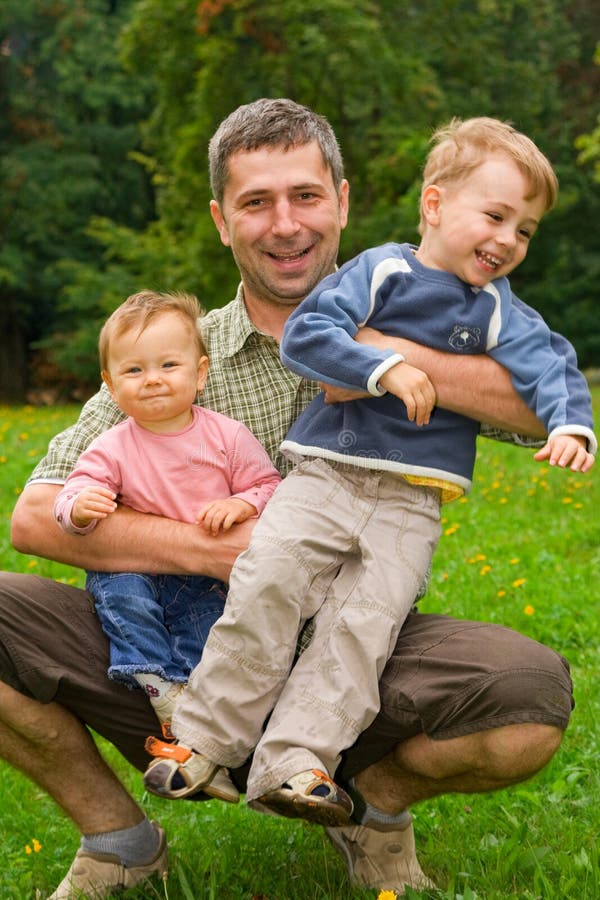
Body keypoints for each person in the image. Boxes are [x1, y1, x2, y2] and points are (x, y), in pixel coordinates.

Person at [1, 99, 575, 899]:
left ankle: (361, 812)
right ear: (220, 220)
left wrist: (386, 355)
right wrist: (218, 550)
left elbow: (532, 401)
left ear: (341, 201)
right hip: (174, 654)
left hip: (355, 647)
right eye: (255, 202)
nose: (285, 224)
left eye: (305, 196)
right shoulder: (173, 355)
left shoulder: (432, 310)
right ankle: (120, 839)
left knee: (527, 695)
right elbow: (34, 515)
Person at [141, 117, 595, 826]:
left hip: (411, 504)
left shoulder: (501, 310)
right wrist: (382, 365)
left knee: (365, 626)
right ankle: (201, 739)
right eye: (496, 216)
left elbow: (550, 366)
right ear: (435, 205)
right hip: (326, 478)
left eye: (526, 230)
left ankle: (296, 762)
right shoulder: (384, 270)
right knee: (268, 581)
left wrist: (571, 423)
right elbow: (312, 335)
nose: (509, 240)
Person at [53, 290, 280, 797]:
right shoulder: (113, 445)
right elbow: (70, 492)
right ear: (110, 387)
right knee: (118, 591)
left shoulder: (225, 436)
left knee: (211, 645)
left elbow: (269, 485)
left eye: (168, 365)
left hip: (204, 581)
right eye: (133, 371)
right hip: (139, 569)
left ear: (200, 374)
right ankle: (156, 684)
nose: (152, 379)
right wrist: (79, 508)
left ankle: (204, 748)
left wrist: (241, 504)